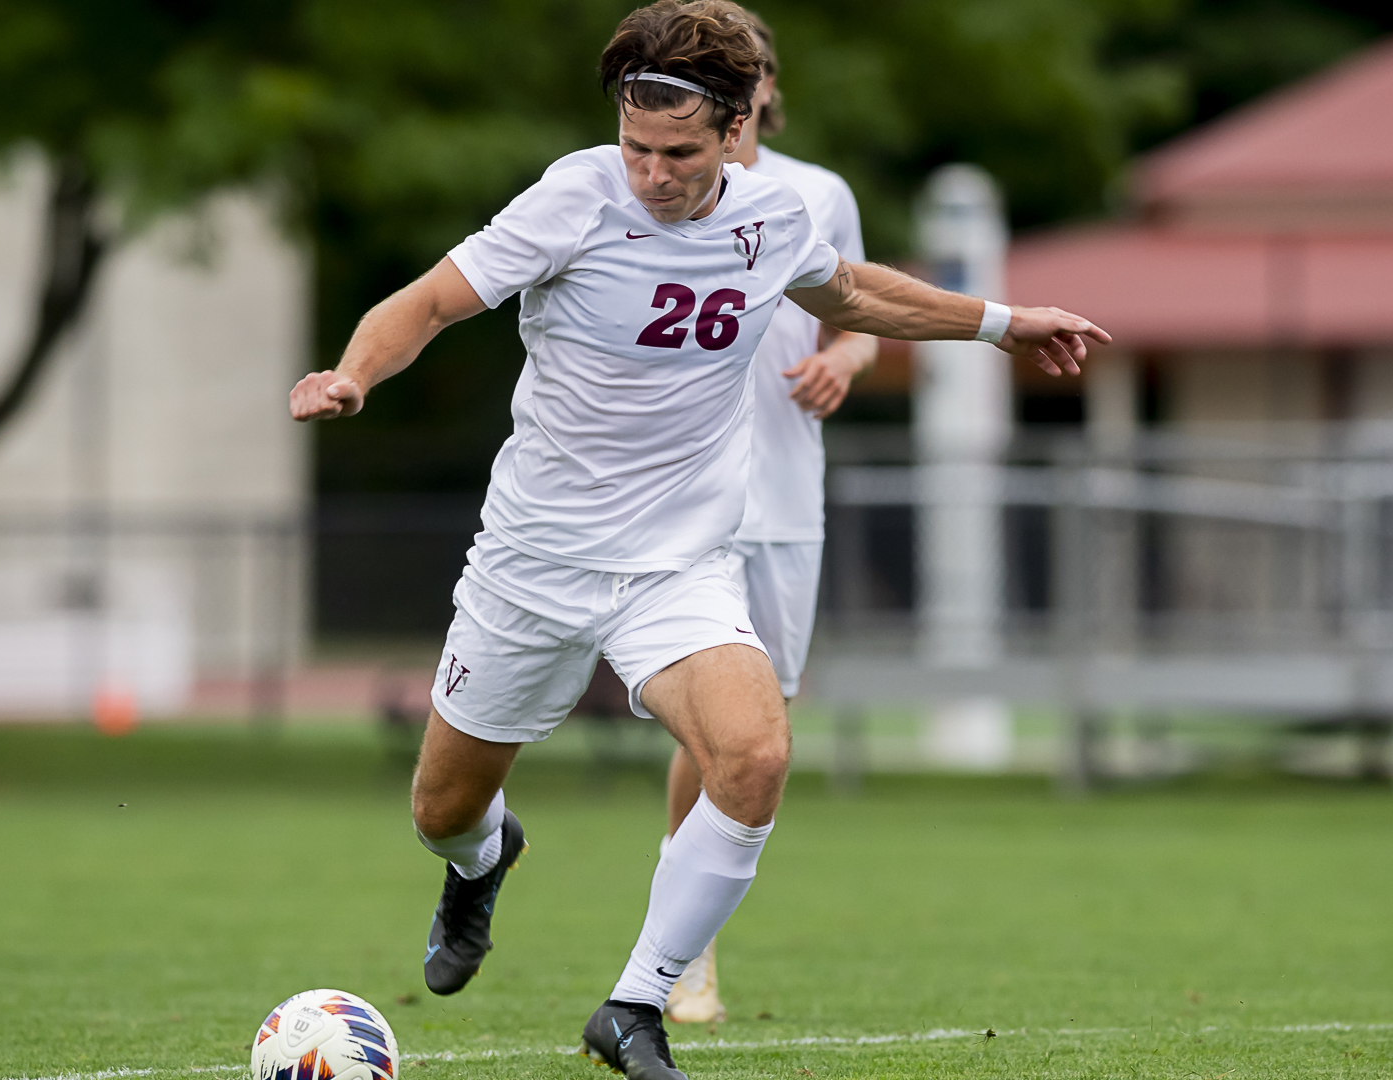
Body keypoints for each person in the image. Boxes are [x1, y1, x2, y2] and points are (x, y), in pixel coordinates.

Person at [288, 3, 1107, 1076]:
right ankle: (483, 861)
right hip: (533, 565)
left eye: (677, 153)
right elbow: (432, 302)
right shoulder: (571, 198)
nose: (651, 173)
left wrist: (1005, 323)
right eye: (636, 147)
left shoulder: (774, 216)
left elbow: (854, 293)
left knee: (756, 753)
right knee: (443, 810)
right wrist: (352, 372)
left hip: (678, 566)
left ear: (737, 129)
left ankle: (636, 1004)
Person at [661, 9, 874, 1026]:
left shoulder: (819, 195)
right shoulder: (648, 186)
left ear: (762, 90)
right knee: (711, 727)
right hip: (678, 509)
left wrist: (842, 359)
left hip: (786, 503)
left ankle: (680, 942)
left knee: (761, 733)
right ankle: (683, 956)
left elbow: (862, 318)